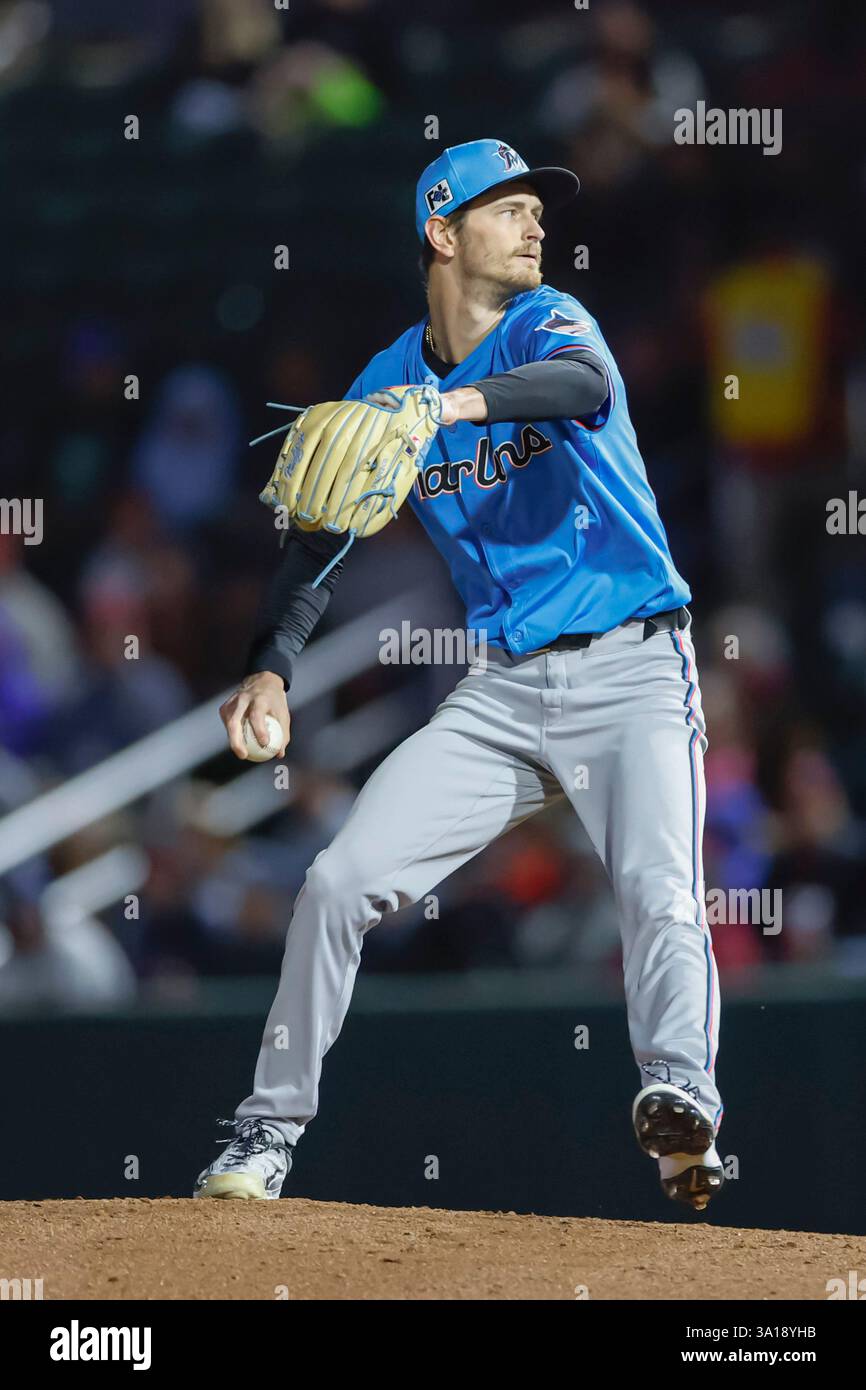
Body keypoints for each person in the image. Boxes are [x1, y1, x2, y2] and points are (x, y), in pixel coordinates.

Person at [193, 139, 723, 1212]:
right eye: (507, 208)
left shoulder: (550, 323)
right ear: (441, 232)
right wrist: (271, 670)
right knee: (337, 883)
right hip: (499, 692)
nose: (535, 225)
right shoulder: (382, 382)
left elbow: (576, 386)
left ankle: (681, 1099)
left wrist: (449, 409)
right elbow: (316, 540)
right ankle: (263, 1134)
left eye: (539, 209)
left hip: (630, 664)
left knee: (656, 888)